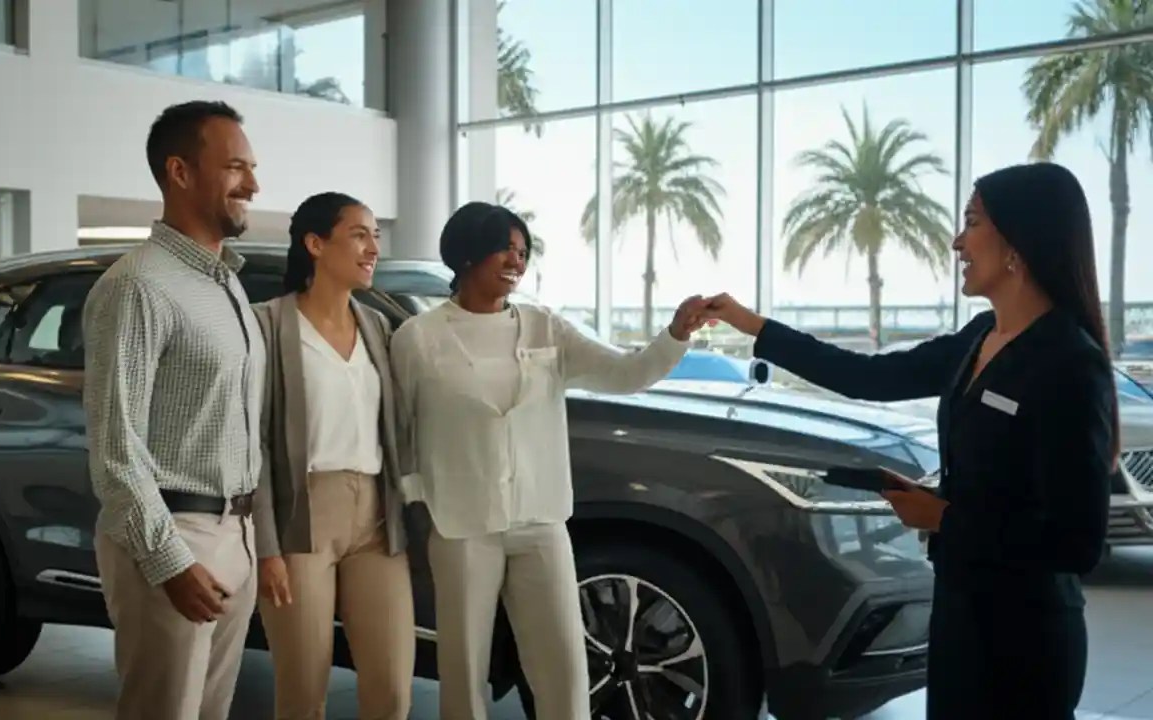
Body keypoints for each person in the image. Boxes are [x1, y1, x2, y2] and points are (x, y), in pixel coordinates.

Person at [704, 162, 1118, 720]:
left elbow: (1077, 543)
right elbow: (866, 376)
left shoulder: (1070, 364)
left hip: (1027, 640)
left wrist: (945, 518)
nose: (956, 242)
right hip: (958, 617)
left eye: (971, 223)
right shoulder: (980, 338)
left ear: (1018, 240)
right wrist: (753, 326)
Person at [390, 201, 710, 719]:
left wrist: (674, 335)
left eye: (523, 251)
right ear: (468, 252)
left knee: (563, 665)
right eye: (505, 248)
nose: (516, 260)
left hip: (540, 519)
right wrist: (418, 495)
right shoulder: (417, 339)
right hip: (461, 526)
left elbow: (625, 375)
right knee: (463, 669)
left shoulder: (545, 328)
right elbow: (400, 428)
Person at [82, 100, 265, 720]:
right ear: (180, 172)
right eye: (236, 167)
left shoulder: (228, 283)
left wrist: (253, 541)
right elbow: (115, 447)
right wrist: (169, 560)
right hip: (175, 535)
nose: (253, 185)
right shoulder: (137, 286)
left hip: (234, 533)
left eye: (252, 168)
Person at [251, 192, 414, 720]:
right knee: (302, 693)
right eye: (359, 235)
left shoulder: (377, 328)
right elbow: (251, 442)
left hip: (375, 520)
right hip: (301, 522)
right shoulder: (267, 326)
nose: (373, 248)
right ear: (315, 244)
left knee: (392, 690)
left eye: (376, 237)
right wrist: (267, 545)